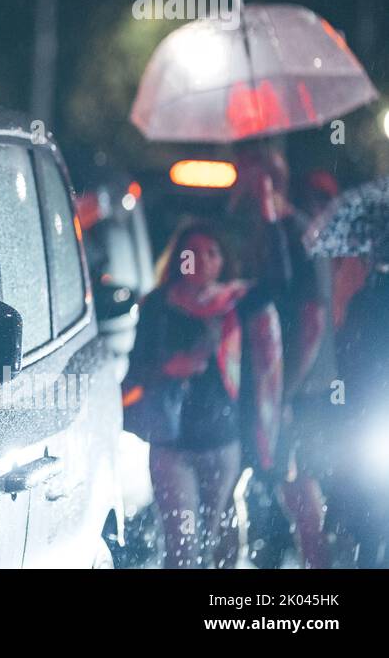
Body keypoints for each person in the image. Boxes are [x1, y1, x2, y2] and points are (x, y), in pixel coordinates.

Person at [125, 222, 283, 568]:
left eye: (212, 253)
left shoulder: (235, 303)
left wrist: (267, 214)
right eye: (192, 252)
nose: (202, 260)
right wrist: (171, 368)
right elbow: (134, 371)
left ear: (223, 261)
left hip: (222, 442)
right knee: (181, 544)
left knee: (209, 542)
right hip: (172, 445)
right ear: (179, 259)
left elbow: (279, 283)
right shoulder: (157, 306)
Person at [229, 148, 337, 568]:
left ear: (264, 181)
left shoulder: (297, 232)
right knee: (279, 484)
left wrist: (285, 392)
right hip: (277, 385)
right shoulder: (264, 231)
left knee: (298, 484)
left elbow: (311, 320)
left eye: (244, 174)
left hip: (299, 386)